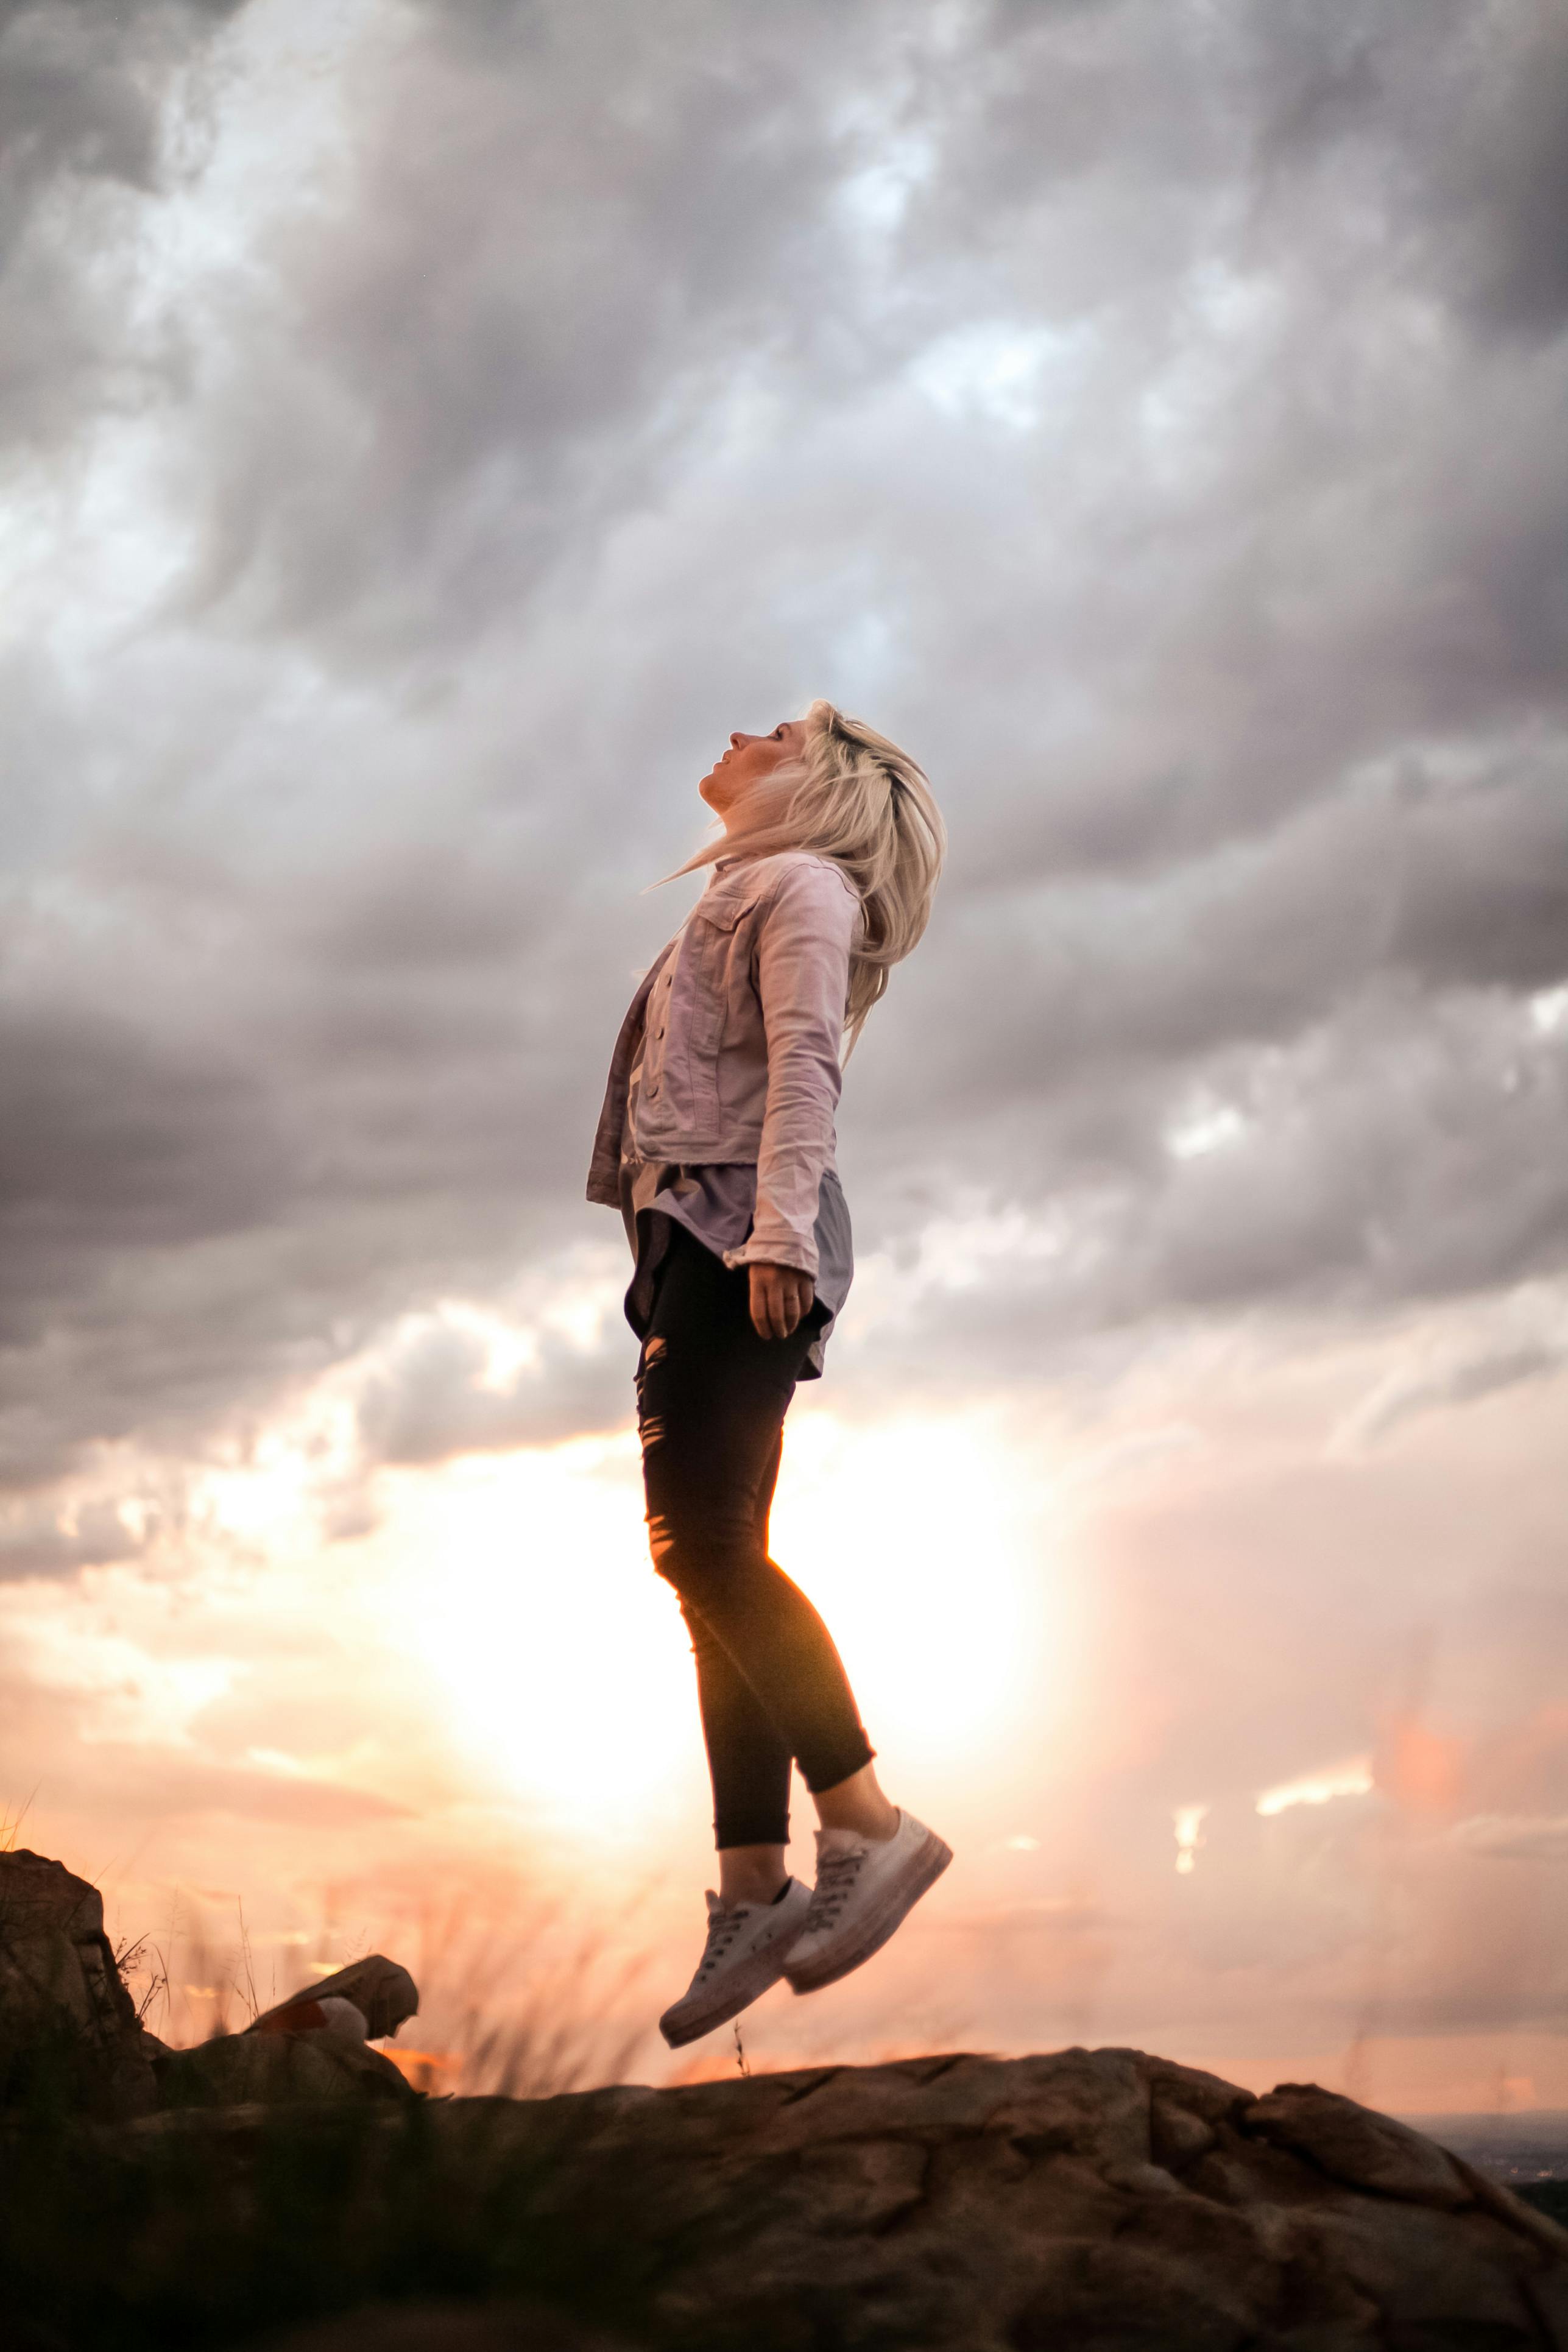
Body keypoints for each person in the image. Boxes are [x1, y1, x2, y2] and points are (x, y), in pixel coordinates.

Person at [586, 701, 952, 2049]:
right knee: (710, 1563)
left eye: (781, 730)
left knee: (699, 1546)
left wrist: (777, 1233)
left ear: (827, 787)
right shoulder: (756, 887)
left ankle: (868, 1823)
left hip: (744, 1232)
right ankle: (755, 1882)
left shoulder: (800, 884)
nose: (745, 730)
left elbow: (808, 1061)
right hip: (700, 1234)